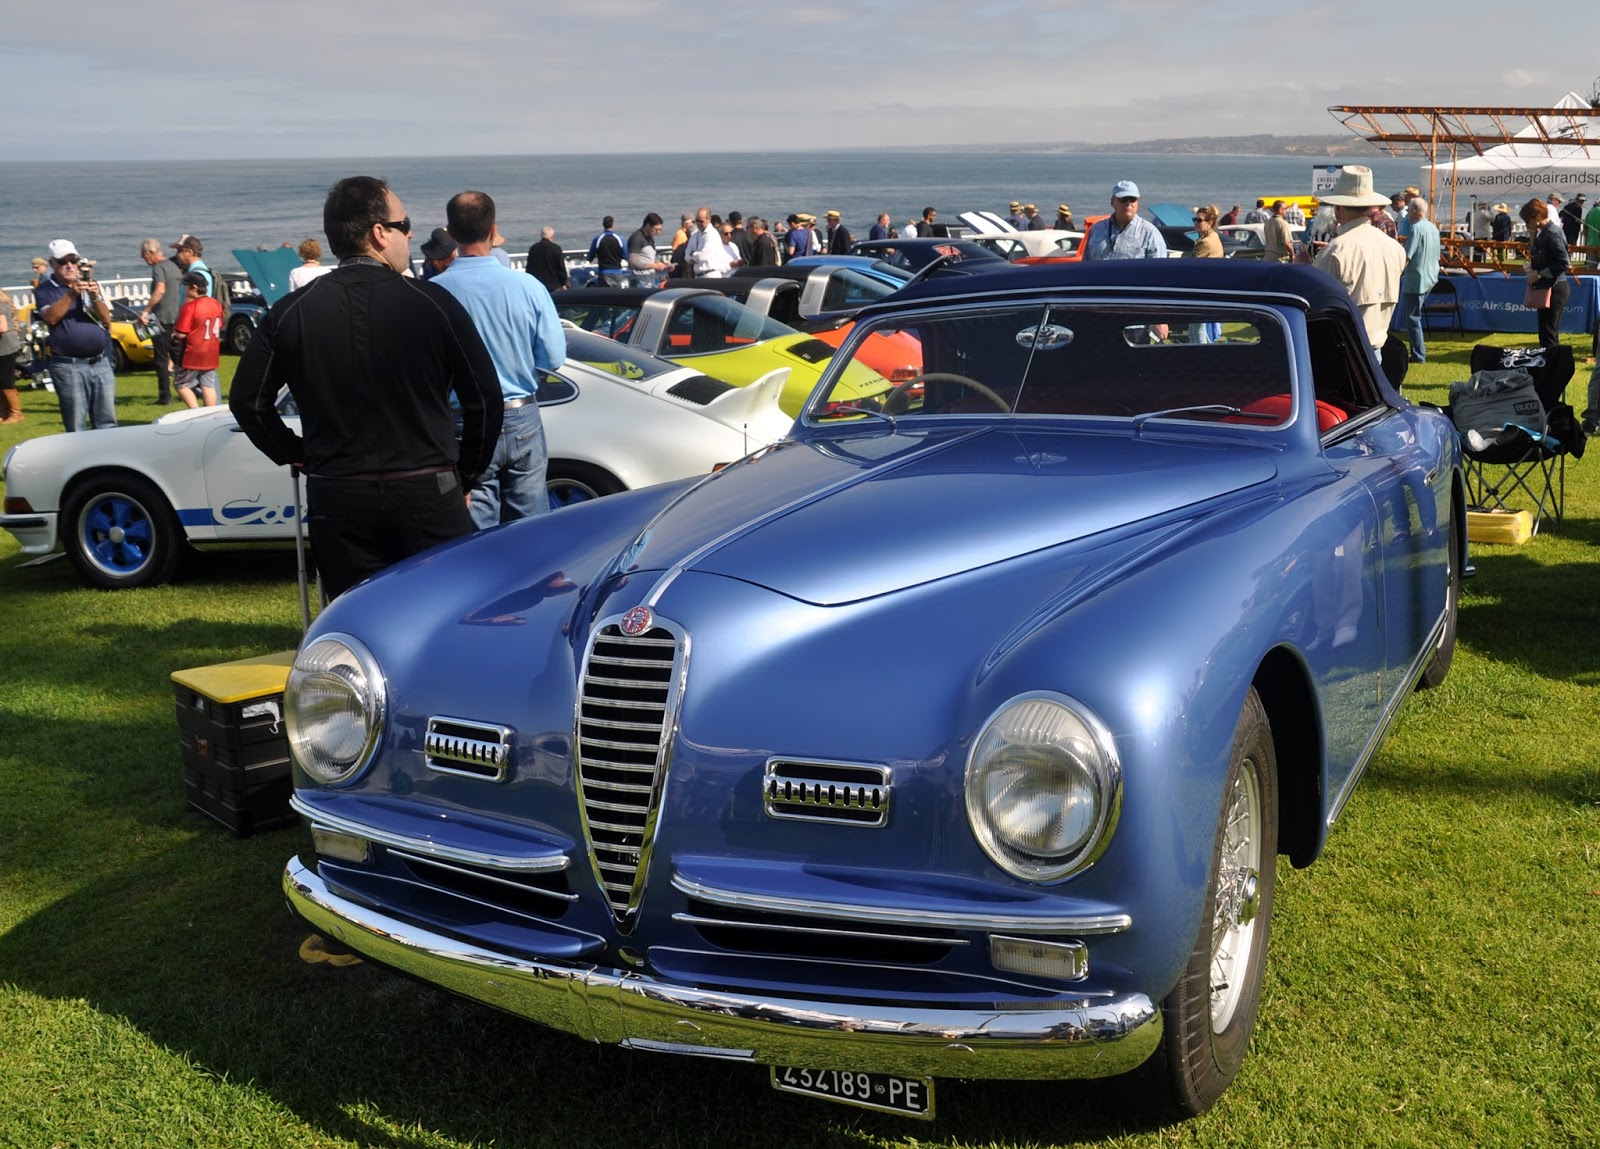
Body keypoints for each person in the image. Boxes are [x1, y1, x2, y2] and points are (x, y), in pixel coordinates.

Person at [229, 175, 502, 600]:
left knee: (356, 618)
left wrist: (295, 452)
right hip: (425, 487)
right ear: (378, 233)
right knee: (442, 613)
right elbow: (484, 398)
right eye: (403, 225)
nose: (409, 235)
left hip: (339, 493)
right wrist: (465, 473)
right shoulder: (433, 303)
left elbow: (249, 401)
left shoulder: (291, 311)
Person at [435, 189, 566, 530]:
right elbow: (553, 357)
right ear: (493, 230)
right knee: (530, 528)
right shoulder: (528, 286)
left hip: (463, 419)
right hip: (521, 412)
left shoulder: (434, 293)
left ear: (451, 233)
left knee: (477, 530)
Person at [1300, 165, 1405, 353]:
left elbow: (1313, 299)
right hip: (1375, 346)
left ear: (1338, 209)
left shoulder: (1337, 249)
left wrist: (1303, 269)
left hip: (1342, 348)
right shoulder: (1395, 248)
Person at [33, 239, 116, 432]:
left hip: (101, 362)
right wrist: (71, 294)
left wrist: (95, 297)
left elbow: (106, 320)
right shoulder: (45, 290)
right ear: (52, 263)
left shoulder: (91, 285)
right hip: (69, 366)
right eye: (63, 261)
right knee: (76, 424)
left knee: (107, 423)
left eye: (73, 260)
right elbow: (51, 317)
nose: (69, 265)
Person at [137, 237, 183, 404]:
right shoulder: (173, 266)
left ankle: (165, 396)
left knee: (161, 359)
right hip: (176, 318)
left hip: (161, 319)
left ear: (150, 252)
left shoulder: (159, 268)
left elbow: (160, 289)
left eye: (143, 255)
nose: (143, 258)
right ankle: (191, 389)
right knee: (179, 358)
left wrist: (146, 311)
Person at [1520, 197, 1570, 348]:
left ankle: (1554, 362)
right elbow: (1537, 257)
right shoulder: (1542, 233)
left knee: (1549, 335)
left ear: (1536, 217)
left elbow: (1564, 262)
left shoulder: (1552, 233)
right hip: (1546, 287)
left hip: (1555, 287)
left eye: (1527, 221)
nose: (1526, 224)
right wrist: (1532, 237)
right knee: (1544, 333)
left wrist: (1539, 274)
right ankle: (1549, 361)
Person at [1395, 198, 1441, 363]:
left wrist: (1395, 273)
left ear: (1414, 211)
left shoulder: (1415, 229)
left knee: (1413, 318)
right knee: (1415, 316)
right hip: (1431, 276)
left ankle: (1418, 355)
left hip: (1417, 279)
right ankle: (1418, 353)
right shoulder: (1433, 228)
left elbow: (1407, 255)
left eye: (1409, 211)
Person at [170, 271, 223, 408]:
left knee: (181, 384)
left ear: (193, 287)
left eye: (185, 286)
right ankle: (211, 413)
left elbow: (181, 334)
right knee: (208, 385)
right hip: (211, 351)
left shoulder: (190, 307)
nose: (183, 289)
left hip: (192, 353)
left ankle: (195, 411)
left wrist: (174, 335)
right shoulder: (215, 304)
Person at [1081, 180, 1166, 260]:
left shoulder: (1150, 233)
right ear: (1112, 201)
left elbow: (1159, 267)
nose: (1128, 203)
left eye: (1132, 199)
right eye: (1123, 199)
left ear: (1137, 203)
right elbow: (1086, 263)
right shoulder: (1097, 229)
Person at [627, 213, 671, 287]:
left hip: (650, 281)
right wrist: (654, 266)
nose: (658, 232)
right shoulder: (636, 238)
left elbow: (651, 258)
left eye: (660, 230)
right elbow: (632, 263)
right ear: (648, 225)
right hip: (639, 282)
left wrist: (664, 265)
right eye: (656, 229)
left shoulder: (650, 238)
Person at [687, 206, 732, 277]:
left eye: (701, 221)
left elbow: (703, 256)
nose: (698, 223)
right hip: (698, 275)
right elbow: (686, 254)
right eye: (696, 220)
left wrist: (692, 255)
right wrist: (695, 256)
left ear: (709, 219)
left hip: (710, 274)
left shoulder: (712, 234)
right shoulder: (695, 235)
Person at [0, 286, 23, 423]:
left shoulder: (0, 304)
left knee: (6, 380)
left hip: (6, 347)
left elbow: (2, 327)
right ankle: (3, 412)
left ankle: (16, 413)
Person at [525, 227, 568, 293]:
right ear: (552, 236)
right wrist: (564, 282)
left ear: (541, 235)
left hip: (537, 284)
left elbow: (529, 268)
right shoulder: (556, 248)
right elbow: (561, 268)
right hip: (554, 285)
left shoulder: (533, 248)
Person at [588, 216, 627, 286]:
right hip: (617, 272)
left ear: (603, 224)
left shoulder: (598, 239)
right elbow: (626, 255)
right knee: (617, 292)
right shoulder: (620, 239)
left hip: (603, 272)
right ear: (612, 224)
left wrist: (590, 260)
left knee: (604, 292)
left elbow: (591, 255)